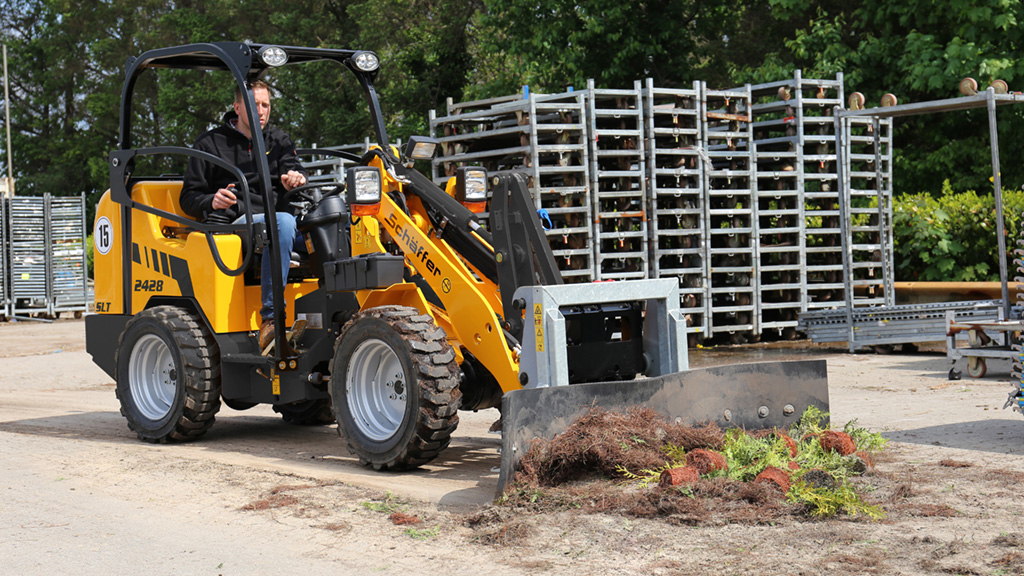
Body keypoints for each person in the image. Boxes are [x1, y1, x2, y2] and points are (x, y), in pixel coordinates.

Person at [180, 80, 307, 351]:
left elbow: (294, 169)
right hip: (238, 224)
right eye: (254, 105)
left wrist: (295, 179)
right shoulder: (210, 144)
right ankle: (272, 320)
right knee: (281, 223)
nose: (261, 111)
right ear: (237, 107)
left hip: (279, 222)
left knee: (337, 224)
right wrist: (211, 200)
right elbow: (188, 199)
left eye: (266, 105)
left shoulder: (278, 140)